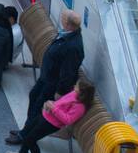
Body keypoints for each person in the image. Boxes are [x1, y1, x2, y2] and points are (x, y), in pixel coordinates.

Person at [6, 9, 85, 146]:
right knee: (33, 97)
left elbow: (68, 72)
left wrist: (59, 91)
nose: (61, 18)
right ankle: (26, 129)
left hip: (52, 83)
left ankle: (24, 136)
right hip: (46, 77)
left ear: (67, 23)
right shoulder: (67, 34)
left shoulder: (73, 46)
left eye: (63, 17)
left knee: (38, 107)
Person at [8, 79, 96, 153]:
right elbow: (61, 104)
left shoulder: (80, 107)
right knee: (28, 133)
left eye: (77, 86)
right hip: (45, 116)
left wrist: (53, 108)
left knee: (31, 139)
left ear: (81, 91)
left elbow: (68, 120)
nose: (74, 86)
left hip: (51, 124)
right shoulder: (74, 94)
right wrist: (51, 104)